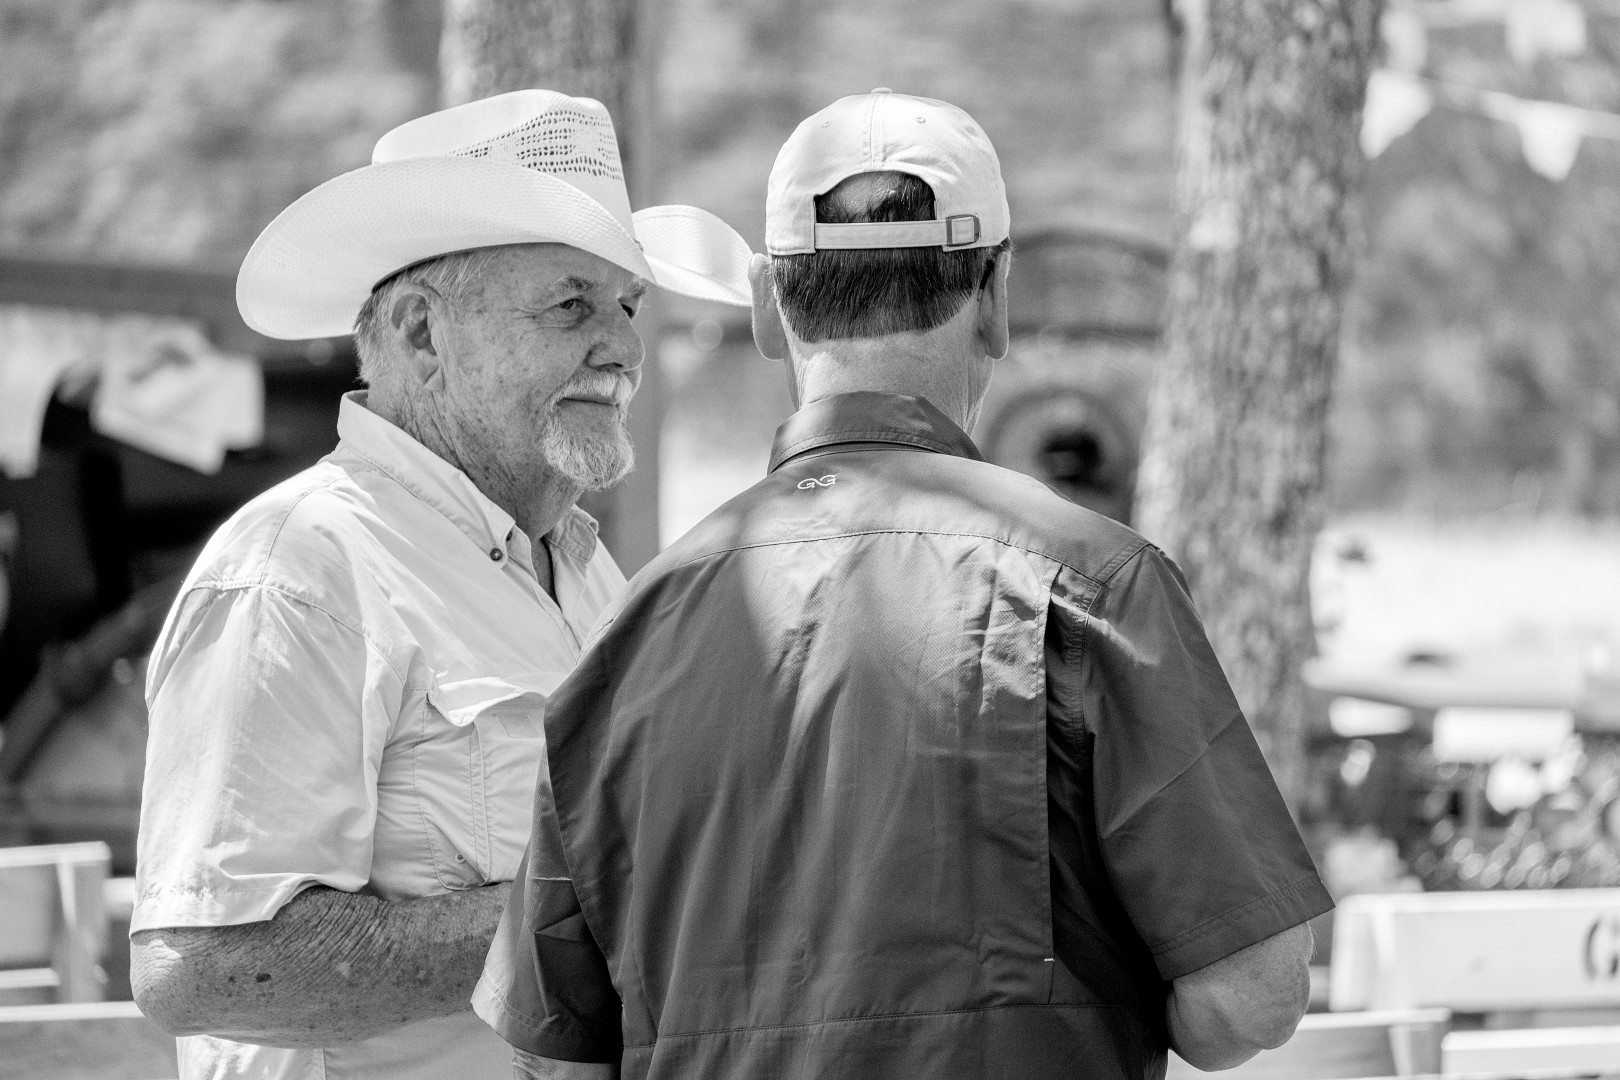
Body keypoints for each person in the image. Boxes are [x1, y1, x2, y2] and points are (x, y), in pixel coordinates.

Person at [474, 89, 1334, 1080]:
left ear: (764, 306)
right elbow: (1251, 993)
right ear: (998, 299)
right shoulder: (1092, 582)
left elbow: (555, 1058)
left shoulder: (627, 633)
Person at [128, 89, 749, 1080]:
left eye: (626, 306)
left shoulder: (582, 566)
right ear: (422, 334)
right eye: (571, 305)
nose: (625, 347)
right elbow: (203, 970)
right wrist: (589, 913)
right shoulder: (301, 568)